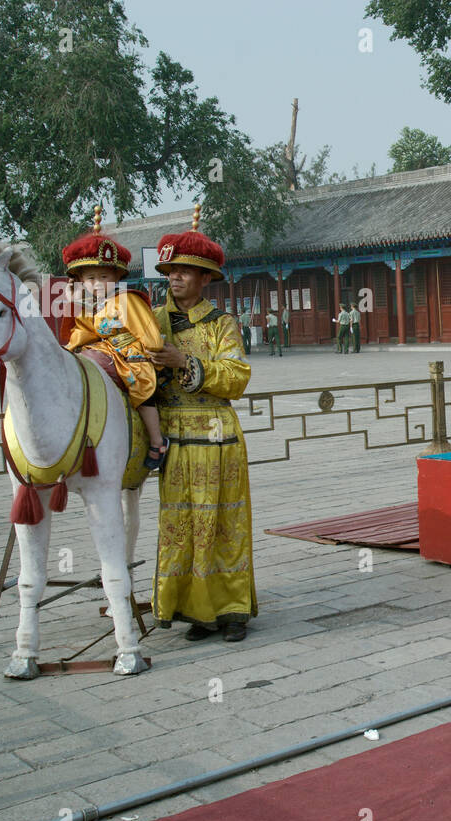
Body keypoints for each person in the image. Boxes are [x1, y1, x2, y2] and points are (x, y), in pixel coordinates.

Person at [149, 204, 258, 643]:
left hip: (216, 437)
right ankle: (196, 611)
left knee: (223, 524)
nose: (175, 278)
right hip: (173, 437)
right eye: (170, 270)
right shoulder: (150, 322)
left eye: (185, 271)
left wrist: (185, 361)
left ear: (206, 278)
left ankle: (232, 612)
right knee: (183, 525)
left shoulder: (221, 324)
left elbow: (236, 377)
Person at [61, 209, 169, 470]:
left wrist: (148, 353)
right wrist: (77, 305)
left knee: (141, 392)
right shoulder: (96, 307)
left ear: (117, 276)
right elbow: (84, 334)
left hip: (133, 358)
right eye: (90, 278)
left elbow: (150, 335)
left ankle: (157, 441)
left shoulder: (127, 300)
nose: (97, 283)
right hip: (107, 354)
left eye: (104, 277)